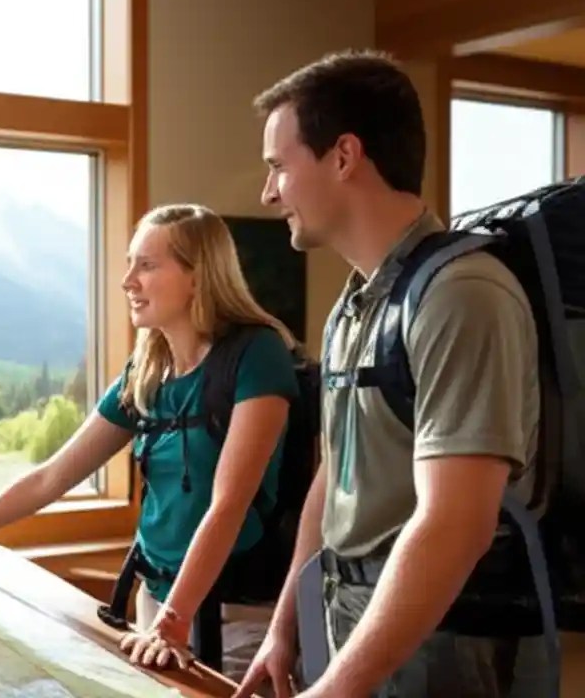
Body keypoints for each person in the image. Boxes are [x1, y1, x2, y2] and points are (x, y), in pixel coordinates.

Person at [0, 203, 301, 673]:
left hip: (234, 616)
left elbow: (229, 504)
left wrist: (173, 622)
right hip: (156, 608)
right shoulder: (147, 371)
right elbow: (50, 478)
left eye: (147, 265)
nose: (128, 281)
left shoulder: (257, 354)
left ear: (199, 276)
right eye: (129, 264)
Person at [234, 50, 547, 698]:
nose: (268, 192)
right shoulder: (354, 306)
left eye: (278, 166)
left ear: (344, 156)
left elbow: (455, 526)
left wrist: (337, 687)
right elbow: (334, 477)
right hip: (352, 628)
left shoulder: (464, 295)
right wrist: (284, 629)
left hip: (442, 650)